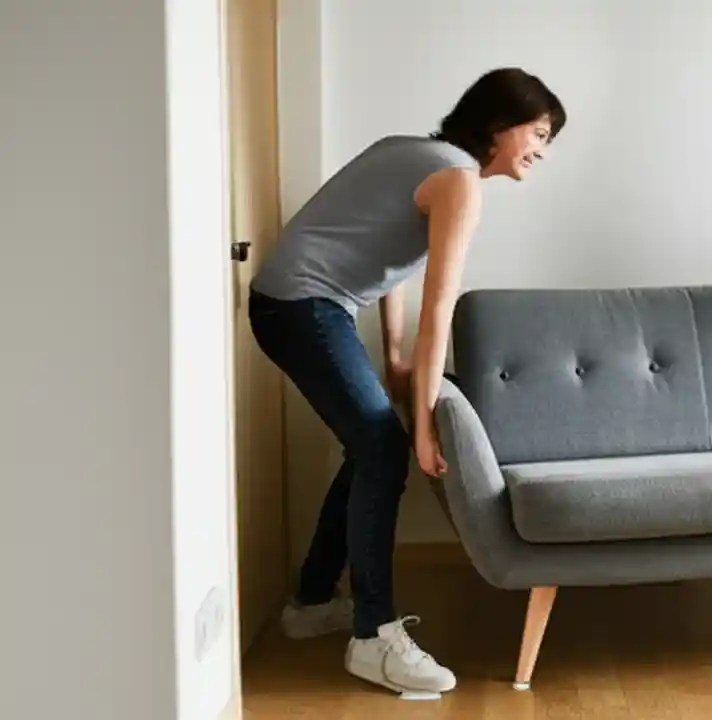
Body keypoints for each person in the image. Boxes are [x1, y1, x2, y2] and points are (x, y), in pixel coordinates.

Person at [247, 67, 566, 693]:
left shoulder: (417, 155)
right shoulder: (459, 182)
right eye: (539, 132)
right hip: (304, 304)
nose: (542, 150)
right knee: (385, 447)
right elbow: (439, 310)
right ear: (500, 127)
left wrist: (392, 359)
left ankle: (311, 603)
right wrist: (421, 427)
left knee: (371, 447)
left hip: (297, 303)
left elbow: (392, 266)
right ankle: (374, 636)